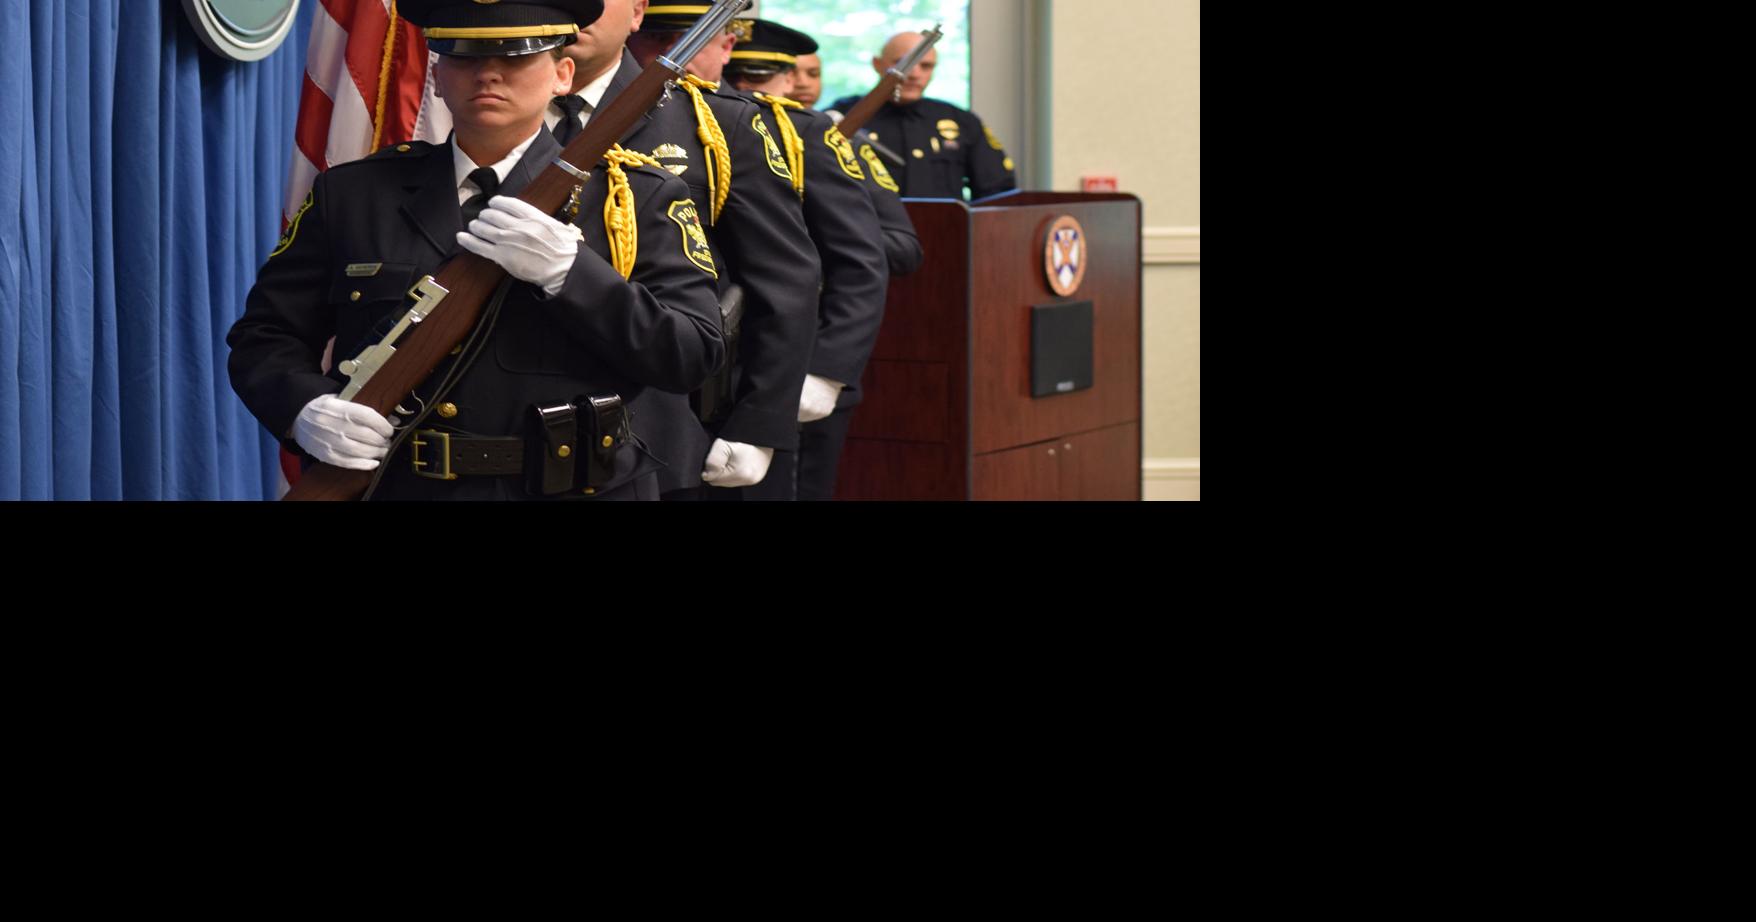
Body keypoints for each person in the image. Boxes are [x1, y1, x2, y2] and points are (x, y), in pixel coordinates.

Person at [226, 0, 723, 501]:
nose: (489, 74)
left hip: (574, 488)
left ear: (562, 75)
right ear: (437, 76)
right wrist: (303, 408)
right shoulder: (355, 196)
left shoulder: (635, 197)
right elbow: (267, 335)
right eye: (464, 57)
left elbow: (691, 353)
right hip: (402, 487)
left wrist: (572, 276)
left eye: (516, 57)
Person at [558, 0, 821, 498]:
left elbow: (785, 279)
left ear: (637, 13)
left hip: (665, 428)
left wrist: (759, 423)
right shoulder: (488, 119)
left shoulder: (716, 124)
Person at [723, 13, 889, 500]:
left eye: (755, 78)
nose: (740, 88)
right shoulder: (690, 126)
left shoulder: (804, 134)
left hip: (790, 364)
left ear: (786, 79)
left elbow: (865, 258)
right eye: (733, 75)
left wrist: (827, 369)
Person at [829, 32, 1017, 201]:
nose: (914, 74)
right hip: (866, 233)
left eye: (926, 66)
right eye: (903, 63)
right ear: (878, 64)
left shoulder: (961, 121)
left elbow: (997, 192)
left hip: (945, 233)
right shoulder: (843, 116)